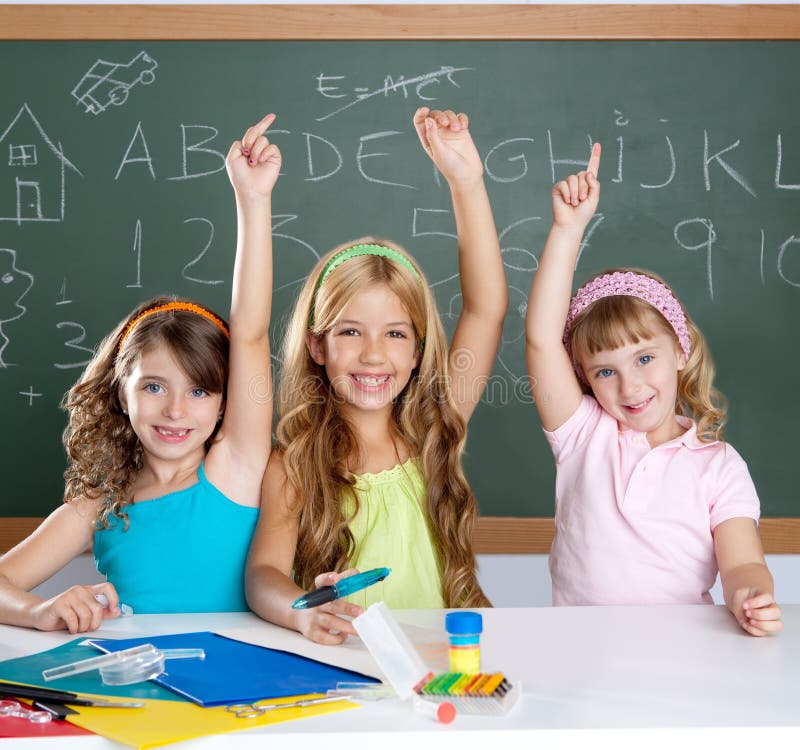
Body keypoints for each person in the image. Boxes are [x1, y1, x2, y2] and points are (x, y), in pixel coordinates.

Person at [0, 114, 281, 632]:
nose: (175, 410)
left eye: (199, 390)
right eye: (154, 386)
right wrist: (41, 609)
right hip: (139, 694)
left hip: (238, 698)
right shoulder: (99, 505)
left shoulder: (234, 470)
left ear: (225, 403)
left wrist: (252, 200)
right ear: (121, 394)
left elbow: (250, 332)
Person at [246, 108, 507, 644]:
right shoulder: (296, 462)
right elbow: (261, 576)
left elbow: (486, 309)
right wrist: (301, 609)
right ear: (316, 345)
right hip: (346, 672)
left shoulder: (436, 424)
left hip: (440, 668)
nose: (372, 356)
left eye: (394, 334)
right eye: (349, 333)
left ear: (418, 351)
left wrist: (466, 180)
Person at [525, 143, 783, 636]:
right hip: (579, 650)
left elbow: (741, 563)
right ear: (584, 378)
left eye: (644, 358)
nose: (630, 385)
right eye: (604, 371)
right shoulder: (582, 434)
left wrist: (751, 593)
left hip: (682, 652)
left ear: (680, 352)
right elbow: (540, 337)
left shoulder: (719, 465)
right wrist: (567, 229)